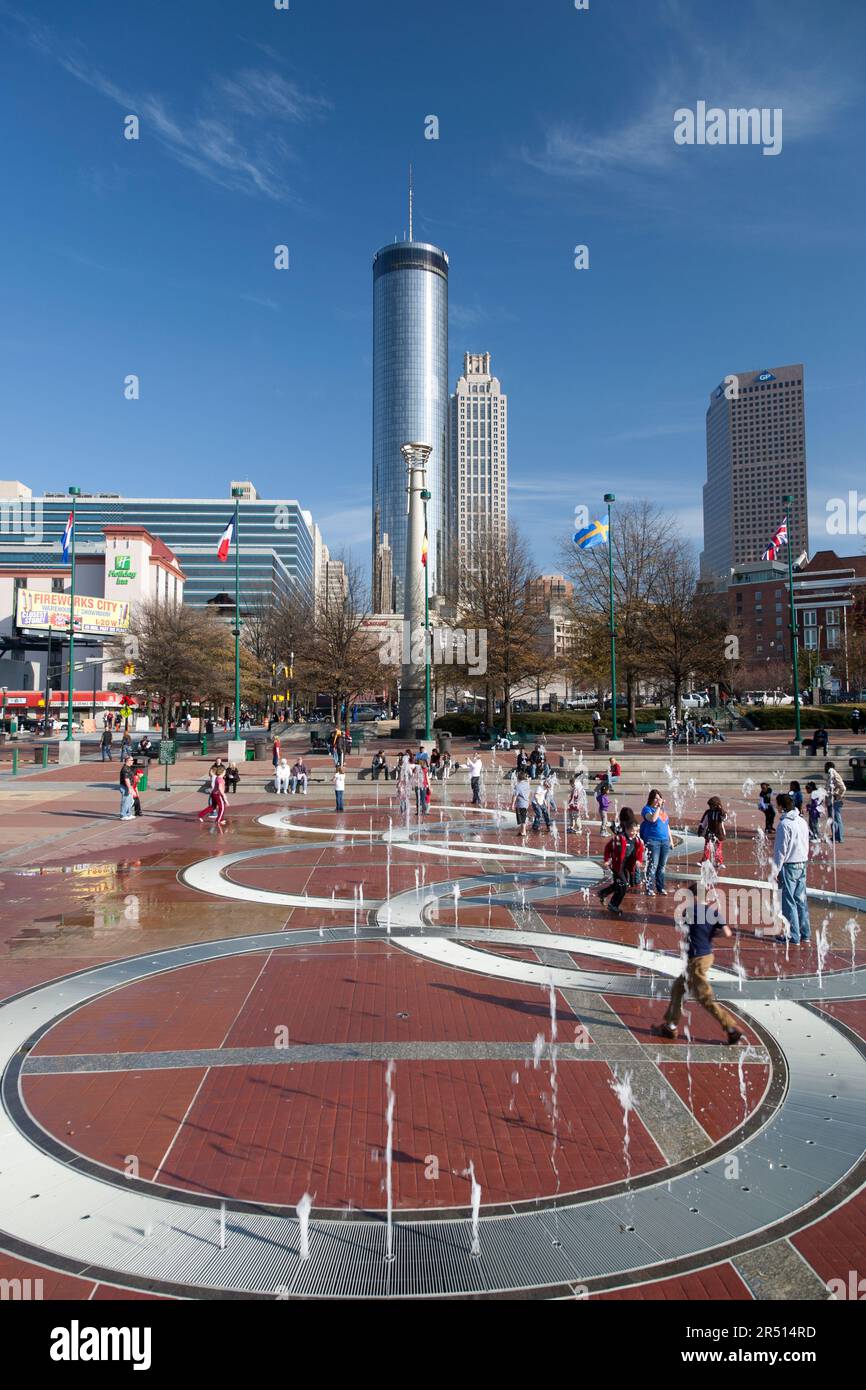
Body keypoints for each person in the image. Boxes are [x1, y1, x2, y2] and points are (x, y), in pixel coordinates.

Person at [655, 892, 745, 1045]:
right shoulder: (713, 912)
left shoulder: (688, 911)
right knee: (678, 988)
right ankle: (670, 1025)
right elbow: (727, 932)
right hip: (707, 956)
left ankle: (731, 1028)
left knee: (704, 996)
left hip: (696, 959)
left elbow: (683, 928)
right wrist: (710, 934)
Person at [772, 792, 811, 945]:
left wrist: (776, 869)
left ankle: (793, 936)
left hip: (789, 865)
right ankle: (805, 933)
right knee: (800, 900)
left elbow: (781, 850)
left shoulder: (784, 824)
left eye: (777, 804)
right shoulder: (801, 821)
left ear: (781, 806)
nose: (776, 806)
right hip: (802, 863)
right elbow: (806, 842)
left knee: (789, 902)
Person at [598, 809, 644, 916]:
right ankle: (613, 904)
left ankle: (603, 893)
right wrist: (606, 860)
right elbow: (608, 848)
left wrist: (638, 860)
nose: (635, 833)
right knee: (623, 885)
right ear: (627, 829)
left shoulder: (636, 840)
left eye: (636, 831)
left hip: (627, 865)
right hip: (617, 866)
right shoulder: (619, 838)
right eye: (633, 831)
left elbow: (640, 851)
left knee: (618, 884)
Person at [641, 789, 672, 894]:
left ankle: (660, 887)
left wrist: (670, 840)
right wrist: (659, 807)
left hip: (665, 841)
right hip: (653, 841)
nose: (658, 800)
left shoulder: (663, 811)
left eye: (659, 798)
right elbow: (652, 819)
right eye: (656, 798)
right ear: (651, 799)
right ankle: (649, 888)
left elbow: (667, 826)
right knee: (653, 865)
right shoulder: (647, 809)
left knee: (662, 866)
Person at [697, 795, 727, 869]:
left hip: (719, 833)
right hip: (710, 832)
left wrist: (721, 810)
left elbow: (724, 817)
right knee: (707, 847)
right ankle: (704, 861)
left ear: (717, 805)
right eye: (710, 806)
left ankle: (719, 862)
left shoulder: (721, 813)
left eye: (712, 805)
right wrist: (700, 829)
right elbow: (704, 822)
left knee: (718, 848)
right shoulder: (708, 812)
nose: (711, 807)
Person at [825, 761, 846, 843]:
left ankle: (839, 837)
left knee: (837, 819)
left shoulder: (832, 772)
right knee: (833, 819)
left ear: (829, 767)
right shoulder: (831, 774)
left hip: (835, 801)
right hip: (831, 801)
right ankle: (835, 837)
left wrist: (837, 795)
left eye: (825, 767)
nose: (825, 769)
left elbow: (843, 788)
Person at [512, 771, 531, 838]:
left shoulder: (518, 786)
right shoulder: (527, 784)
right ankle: (523, 830)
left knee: (522, 818)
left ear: (518, 778)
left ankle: (523, 832)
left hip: (520, 804)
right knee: (524, 817)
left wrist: (513, 804)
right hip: (526, 803)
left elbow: (515, 796)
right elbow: (529, 793)